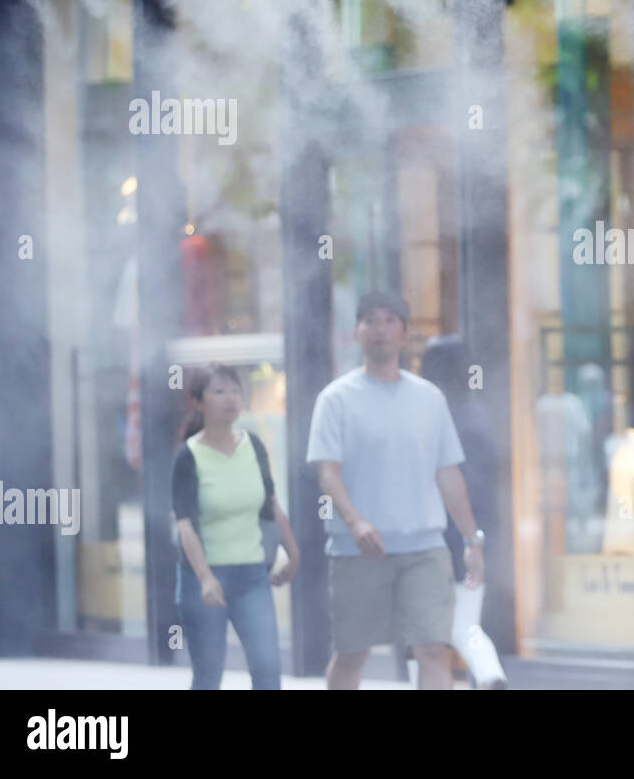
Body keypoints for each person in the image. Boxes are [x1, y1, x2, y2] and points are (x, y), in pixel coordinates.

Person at [307, 292, 485, 690]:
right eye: (370, 320)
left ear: (405, 334)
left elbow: (449, 474)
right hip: (357, 551)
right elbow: (327, 473)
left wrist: (473, 540)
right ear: (356, 333)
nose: (380, 329)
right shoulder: (336, 399)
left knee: (433, 650)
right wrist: (355, 522)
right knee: (353, 654)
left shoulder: (429, 398)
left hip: (424, 548)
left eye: (390, 320)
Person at [171, 363, 299, 690]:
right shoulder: (188, 457)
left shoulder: (253, 446)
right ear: (198, 402)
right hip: (204, 579)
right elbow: (185, 525)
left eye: (235, 390)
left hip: (252, 576)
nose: (230, 398)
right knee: (209, 675)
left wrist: (292, 551)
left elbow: (270, 503)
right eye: (219, 391)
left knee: (268, 669)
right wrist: (205, 578)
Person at [421, 334, 507, 689]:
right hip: (476, 536)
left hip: (431, 537)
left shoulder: (427, 417)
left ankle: (487, 676)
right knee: (466, 623)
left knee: (426, 634)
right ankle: (489, 674)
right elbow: (491, 480)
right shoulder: (478, 416)